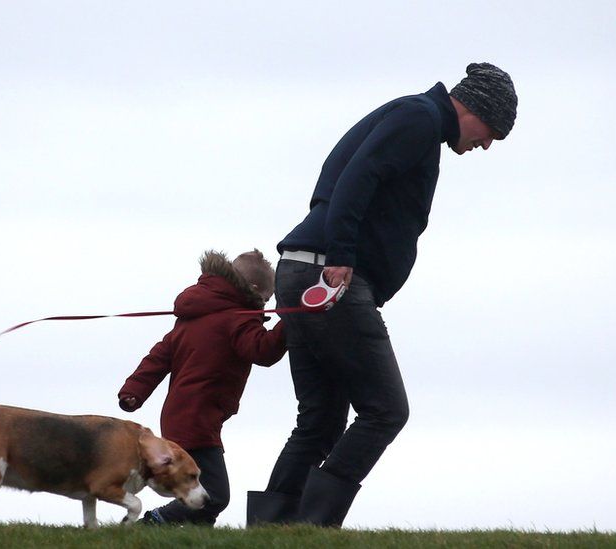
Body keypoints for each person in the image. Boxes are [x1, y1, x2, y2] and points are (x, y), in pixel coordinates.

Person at [247, 62, 518, 527]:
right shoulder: (419, 119)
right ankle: (312, 526)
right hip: (330, 276)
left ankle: (272, 530)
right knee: (386, 410)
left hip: (305, 268)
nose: (486, 144)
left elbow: (337, 179)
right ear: (472, 108)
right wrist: (341, 254)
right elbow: (358, 178)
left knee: (320, 420)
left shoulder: (415, 119)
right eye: (491, 131)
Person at [118, 249, 286, 526]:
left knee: (203, 495)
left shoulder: (195, 313)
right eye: (266, 300)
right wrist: (290, 323)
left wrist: (134, 391)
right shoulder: (238, 317)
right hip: (197, 418)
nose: (265, 307)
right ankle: (154, 521)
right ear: (255, 290)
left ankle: (197, 535)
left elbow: (159, 356)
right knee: (215, 495)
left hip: (184, 414)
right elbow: (262, 350)